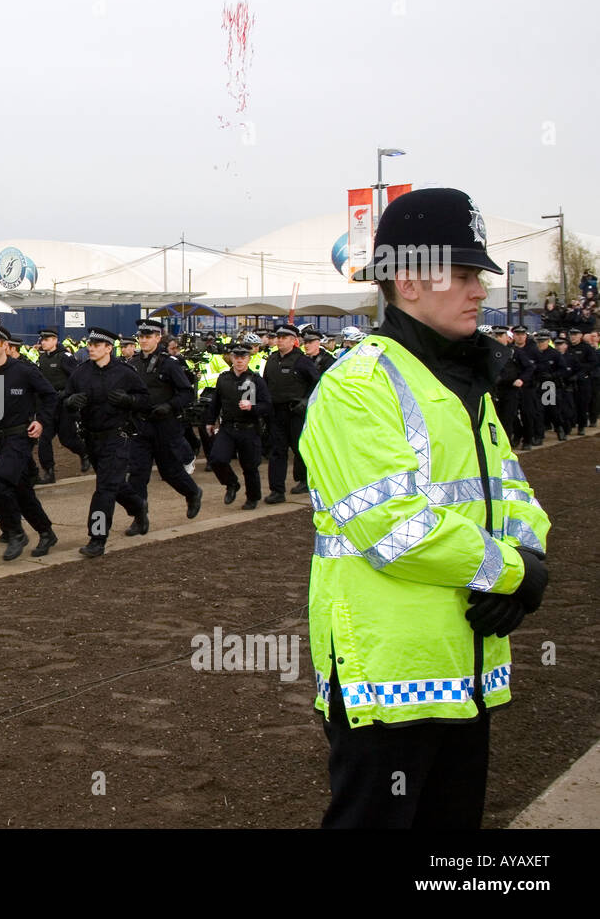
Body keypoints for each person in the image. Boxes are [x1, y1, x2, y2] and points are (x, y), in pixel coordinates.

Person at [301, 187, 551, 828]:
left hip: (466, 661)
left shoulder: (463, 383)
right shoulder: (358, 385)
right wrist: (515, 574)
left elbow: (514, 494)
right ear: (408, 281)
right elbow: (395, 526)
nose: (480, 290)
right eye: (465, 274)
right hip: (390, 677)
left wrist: (524, 557)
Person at [0, 323, 58, 561]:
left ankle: (15, 532)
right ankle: (46, 532)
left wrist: (42, 422)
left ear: (5, 346)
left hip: (21, 437)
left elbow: (50, 396)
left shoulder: (24, 371)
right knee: (21, 489)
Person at [62, 326, 148, 557]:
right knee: (115, 485)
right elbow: (65, 399)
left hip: (116, 437)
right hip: (92, 438)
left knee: (104, 489)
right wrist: (71, 401)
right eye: (89, 344)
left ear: (109, 348)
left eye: (96, 345)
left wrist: (128, 400)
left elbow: (144, 399)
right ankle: (139, 507)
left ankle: (97, 538)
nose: (91, 348)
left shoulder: (125, 373)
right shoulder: (80, 373)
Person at [125, 318, 203, 524]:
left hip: (164, 426)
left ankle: (193, 493)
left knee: (170, 472)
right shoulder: (132, 364)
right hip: (140, 426)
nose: (143, 340)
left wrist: (169, 406)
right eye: (141, 337)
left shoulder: (169, 363)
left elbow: (187, 392)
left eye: (148, 336)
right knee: (137, 474)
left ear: (158, 338)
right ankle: (140, 517)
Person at [205, 343, 271, 509]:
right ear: (231, 358)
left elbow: (267, 405)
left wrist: (252, 407)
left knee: (250, 466)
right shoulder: (224, 378)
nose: (240, 360)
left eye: (243, 357)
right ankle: (232, 483)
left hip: (249, 428)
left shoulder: (256, 380)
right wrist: (210, 420)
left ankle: (252, 498)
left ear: (249, 359)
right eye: (237, 357)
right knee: (217, 459)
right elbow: (216, 402)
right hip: (228, 427)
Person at [262, 323, 320, 503]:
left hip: (295, 412)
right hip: (276, 412)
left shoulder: (302, 361)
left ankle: (305, 480)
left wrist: (305, 401)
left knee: (300, 449)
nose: (280, 341)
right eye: (278, 338)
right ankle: (277, 490)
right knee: (277, 452)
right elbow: (266, 383)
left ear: (294, 340)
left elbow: (318, 383)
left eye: (284, 338)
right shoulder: (271, 360)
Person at [33, 327, 89, 484]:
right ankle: (49, 472)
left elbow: (77, 378)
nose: (43, 342)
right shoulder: (42, 359)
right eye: (42, 340)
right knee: (44, 438)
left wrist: (66, 394)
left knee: (67, 439)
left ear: (55, 340)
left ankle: (84, 453)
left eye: (46, 339)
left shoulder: (65, 357)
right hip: (49, 406)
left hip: (64, 405)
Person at [566, 327, 595, 435]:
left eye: (575, 334)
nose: (573, 336)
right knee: (569, 405)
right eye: (571, 334)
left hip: (583, 380)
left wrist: (580, 371)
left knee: (582, 404)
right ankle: (569, 425)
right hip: (569, 380)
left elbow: (593, 363)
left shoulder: (586, 348)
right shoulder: (567, 347)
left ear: (580, 336)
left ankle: (581, 426)